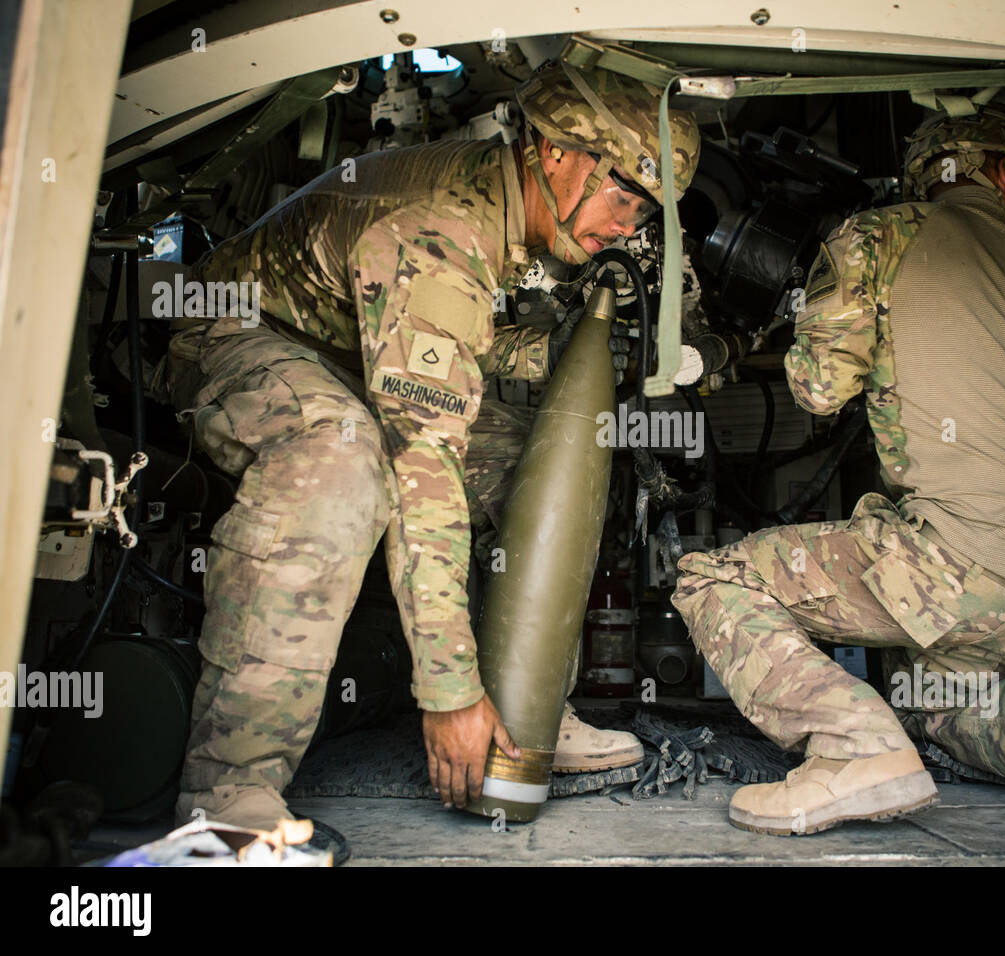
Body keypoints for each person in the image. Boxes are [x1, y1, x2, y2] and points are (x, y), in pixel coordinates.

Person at [165, 60, 700, 828]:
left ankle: (526, 708)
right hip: (237, 336)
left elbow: (454, 341)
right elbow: (424, 466)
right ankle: (228, 794)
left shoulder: (499, 206)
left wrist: (546, 353)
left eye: (647, 215)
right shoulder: (440, 228)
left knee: (524, 454)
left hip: (344, 355)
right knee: (339, 459)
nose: (627, 224)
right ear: (555, 152)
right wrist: (446, 691)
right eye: (624, 194)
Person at [671, 107, 1005, 836]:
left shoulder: (883, 236)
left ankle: (853, 747)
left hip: (956, 565)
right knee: (936, 711)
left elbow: (818, 389)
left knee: (713, 576)